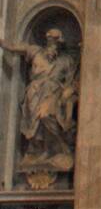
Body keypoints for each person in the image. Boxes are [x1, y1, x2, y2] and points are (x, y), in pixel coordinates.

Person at [0, 29, 78, 177]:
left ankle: (58, 149)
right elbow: (12, 47)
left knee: (45, 116)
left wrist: (66, 95)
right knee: (35, 125)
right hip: (34, 93)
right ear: (47, 42)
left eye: (57, 43)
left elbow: (72, 83)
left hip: (53, 93)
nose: (53, 46)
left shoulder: (66, 61)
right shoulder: (35, 51)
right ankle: (41, 151)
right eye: (51, 42)